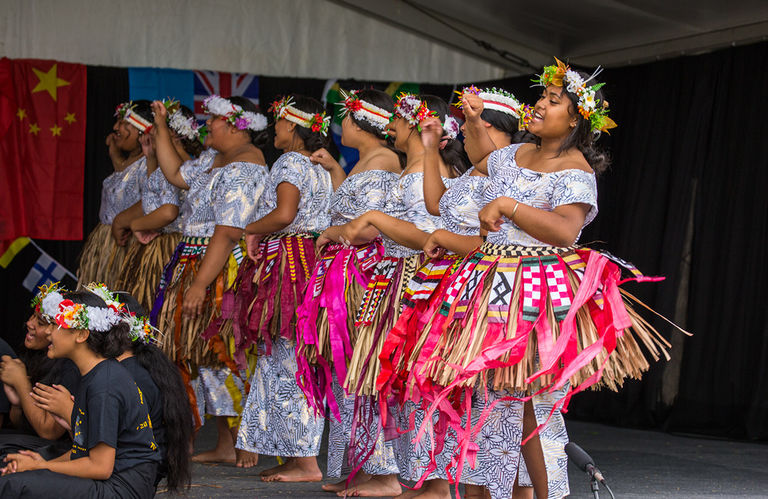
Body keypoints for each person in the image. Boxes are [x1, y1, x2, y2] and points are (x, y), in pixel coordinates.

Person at [398, 58, 679, 499]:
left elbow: (566, 231)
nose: (539, 105)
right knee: (487, 399)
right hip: (486, 288)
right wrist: (473, 121)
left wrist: (510, 206)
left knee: (533, 403)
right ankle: (483, 491)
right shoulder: (510, 155)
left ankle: (536, 493)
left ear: (575, 118)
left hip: (536, 294)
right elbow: (479, 160)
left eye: (552, 100)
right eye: (540, 97)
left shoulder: (576, 170)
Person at [324, 94, 467, 497]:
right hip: (393, 278)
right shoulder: (414, 170)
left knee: (415, 381)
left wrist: (373, 219)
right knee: (387, 381)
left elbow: (428, 240)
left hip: (415, 282)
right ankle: (396, 473)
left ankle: (431, 482)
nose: (392, 126)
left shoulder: (428, 172)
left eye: (401, 120)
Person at [293, 89, 403, 495]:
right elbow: (353, 209)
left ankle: (386, 474)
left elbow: (372, 228)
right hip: (344, 273)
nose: (342, 127)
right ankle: (361, 467)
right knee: (344, 371)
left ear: (361, 124)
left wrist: (332, 234)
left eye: (347, 120)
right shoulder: (366, 163)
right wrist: (336, 173)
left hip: (364, 277)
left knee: (362, 368)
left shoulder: (384, 164)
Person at [150, 95, 269, 468]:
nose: (206, 127)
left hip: (222, 269)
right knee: (200, 354)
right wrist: (160, 127)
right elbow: (175, 174)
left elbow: (229, 231)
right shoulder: (212, 161)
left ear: (235, 126)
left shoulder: (245, 169)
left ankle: (242, 439)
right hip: (194, 259)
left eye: (213, 121)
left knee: (226, 352)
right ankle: (223, 442)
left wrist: (202, 284)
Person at [229, 94, 332, 483]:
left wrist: (250, 229)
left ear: (293, 126)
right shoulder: (317, 166)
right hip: (308, 260)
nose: (275, 129)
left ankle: (306, 462)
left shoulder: (290, 161)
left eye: (279, 123)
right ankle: (294, 455)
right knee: (289, 357)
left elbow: (285, 214)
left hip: (292, 263)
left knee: (288, 358)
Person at [0, 289, 160, 498]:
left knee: (12, 486)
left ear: (82, 334)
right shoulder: (95, 374)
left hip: (121, 488)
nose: (48, 332)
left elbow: (100, 467)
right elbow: (84, 450)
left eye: (56, 325)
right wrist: (39, 463)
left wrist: (41, 468)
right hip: (115, 479)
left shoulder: (105, 385)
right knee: (11, 469)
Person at [115, 101, 202, 312]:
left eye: (156, 127)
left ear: (171, 133)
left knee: (152, 304)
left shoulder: (173, 165)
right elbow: (156, 195)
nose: (150, 132)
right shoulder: (186, 162)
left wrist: (136, 224)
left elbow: (168, 210)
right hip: (174, 245)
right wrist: (151, 157)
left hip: (165, 248)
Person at [77, 100, 152, 288]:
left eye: (124, 124)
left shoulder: (149, 165)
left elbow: (155, 199)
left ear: (143, 131)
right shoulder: (131, 162)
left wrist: (121, 221)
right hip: (106, 244)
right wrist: (113, 153)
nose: (115, 127)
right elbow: (123, 175)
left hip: (126, 246)